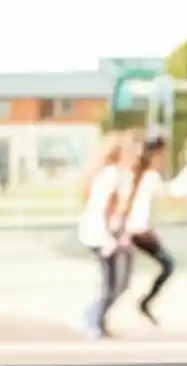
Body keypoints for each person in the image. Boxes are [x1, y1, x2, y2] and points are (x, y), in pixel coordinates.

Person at [116, 136, 176, 326]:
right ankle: (144, 303)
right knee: (168, 265)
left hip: (134, 229)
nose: (165, 159)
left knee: (127, 273)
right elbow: (168, 194)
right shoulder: (150, 177)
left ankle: (143, 302)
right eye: (163, 155)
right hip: (139, 231)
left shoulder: (136, 175)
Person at [77, 133, 129, 339]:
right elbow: (108, 205)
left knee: (113, 281)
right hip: (102, 231)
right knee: (113, 282)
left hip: (93, 228)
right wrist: (111, 234)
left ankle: (98, 319)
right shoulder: (114, 174)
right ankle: (94, 319)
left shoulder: (99, 173)